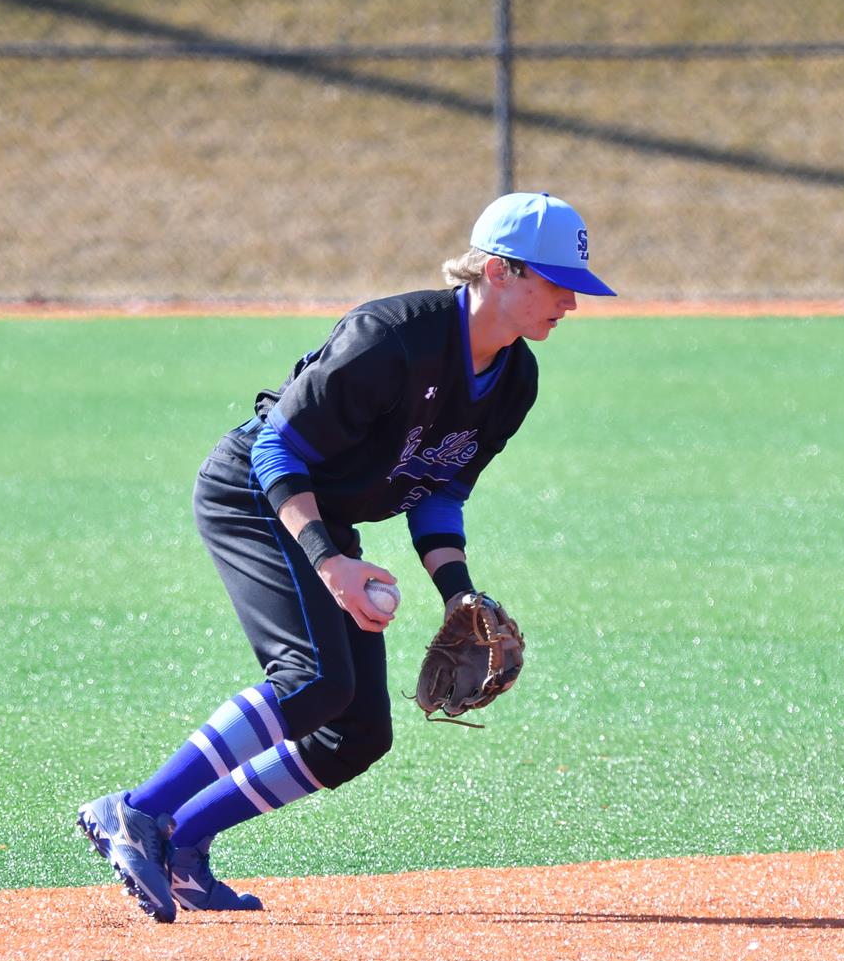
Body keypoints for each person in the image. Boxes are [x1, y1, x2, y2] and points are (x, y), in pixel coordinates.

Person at [75, 191, 616, 922]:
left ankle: (182, 839)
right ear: (498, 269)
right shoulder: (389, 337)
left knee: (357, 733)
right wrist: (331, 561)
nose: (571, 304)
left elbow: (440, 484)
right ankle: (135, 810)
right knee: (312, 680)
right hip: (257, 494)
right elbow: (276, 448)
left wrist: (457, 591)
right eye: (557, 284)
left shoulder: (515, 379)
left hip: (324, 515)